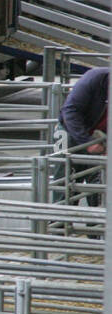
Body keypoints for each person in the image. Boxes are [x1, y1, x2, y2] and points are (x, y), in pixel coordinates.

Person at [59, 66, 108, 209]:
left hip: (99, 137)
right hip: (70, 130)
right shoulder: (95, 78)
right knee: (65, 177)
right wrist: (86, 141)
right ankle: (60, 224)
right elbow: (70, 111)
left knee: (98, 180)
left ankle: (96, 226)